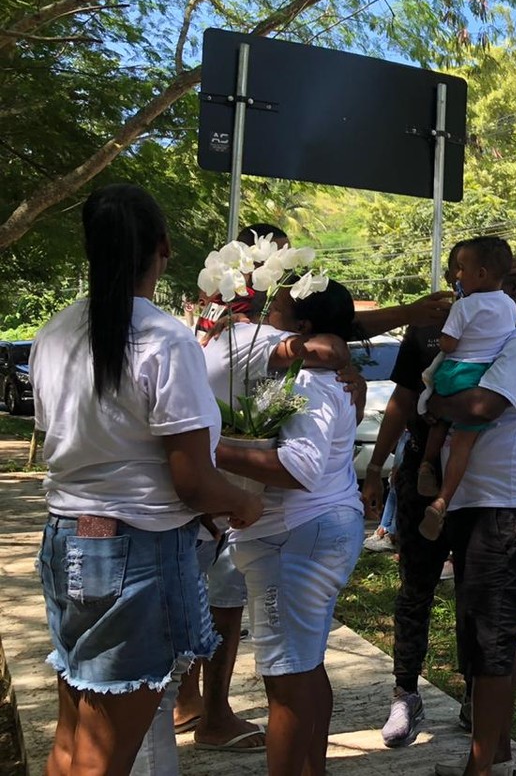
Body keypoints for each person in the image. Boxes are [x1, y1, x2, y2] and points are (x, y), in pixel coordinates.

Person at [30, 184, 263, 776]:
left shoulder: (55, 333)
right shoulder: (164, 338)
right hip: (135, 551)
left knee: (72, 737)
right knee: (106, 756)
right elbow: (192, 481)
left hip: (68, 537)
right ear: (162, 247)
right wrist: (241, 503)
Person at [367, 251, 516, 750]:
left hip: (481, 495)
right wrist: (376, 465)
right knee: (416, 591)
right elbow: (400, 399)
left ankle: (480, 718)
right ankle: (406, 693)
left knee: (483, 616)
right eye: (457, 275)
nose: (464, 283)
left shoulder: (515, 330)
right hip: (429, 475)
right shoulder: (431, 326)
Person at [423, 269, 516, 776]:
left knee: (491, 638)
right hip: (487, 507)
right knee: (481, 634)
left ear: (508, 294)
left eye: (476, 292)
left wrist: (435, 403)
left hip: (508, 511)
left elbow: (483, 406)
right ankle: (497, 752)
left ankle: (481, 769)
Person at [215, 278, 367, 776]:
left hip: (296, 537)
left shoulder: (308, 380)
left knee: (285, 681)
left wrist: (204, 447)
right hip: (305, 531)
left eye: (275, 306)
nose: (264, 310)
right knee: (303, 666)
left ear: (301, 329)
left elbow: (299, 466)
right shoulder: (307, 375)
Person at [417, 236, 516, 540]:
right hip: (480, 379)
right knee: (462, 444)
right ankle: (442, 500)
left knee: (439, 419)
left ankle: (426, 463)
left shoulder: (464, 306)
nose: (457, 275)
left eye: (461, 268)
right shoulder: (510, 306)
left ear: (481, 274)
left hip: (453, 372)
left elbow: (448, 344)